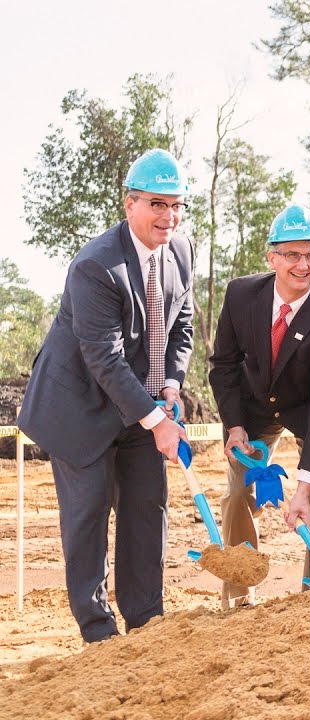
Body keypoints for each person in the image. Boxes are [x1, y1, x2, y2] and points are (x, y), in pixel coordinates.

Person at [18, 149, 193, 642]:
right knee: (88, 519)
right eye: (157, 204)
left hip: (140, 404)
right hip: (80, 410)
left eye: (176, 205)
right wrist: (157, 420)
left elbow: (182, 322)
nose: (169, 216)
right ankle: (98, 636)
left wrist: (172, 385)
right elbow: (103, 357)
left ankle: (145, 627)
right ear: (129, 204)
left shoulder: (180, 250)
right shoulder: (96, 265)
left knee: (146, 510)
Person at [208, 203, 310, 606]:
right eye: (292, 254)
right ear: (272, 257)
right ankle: (239, 589)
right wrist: (235, 425)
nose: (303, 265)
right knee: (239, 492)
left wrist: (303, 488)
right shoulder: (241, 295)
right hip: (253, 407)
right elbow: (222, 365)